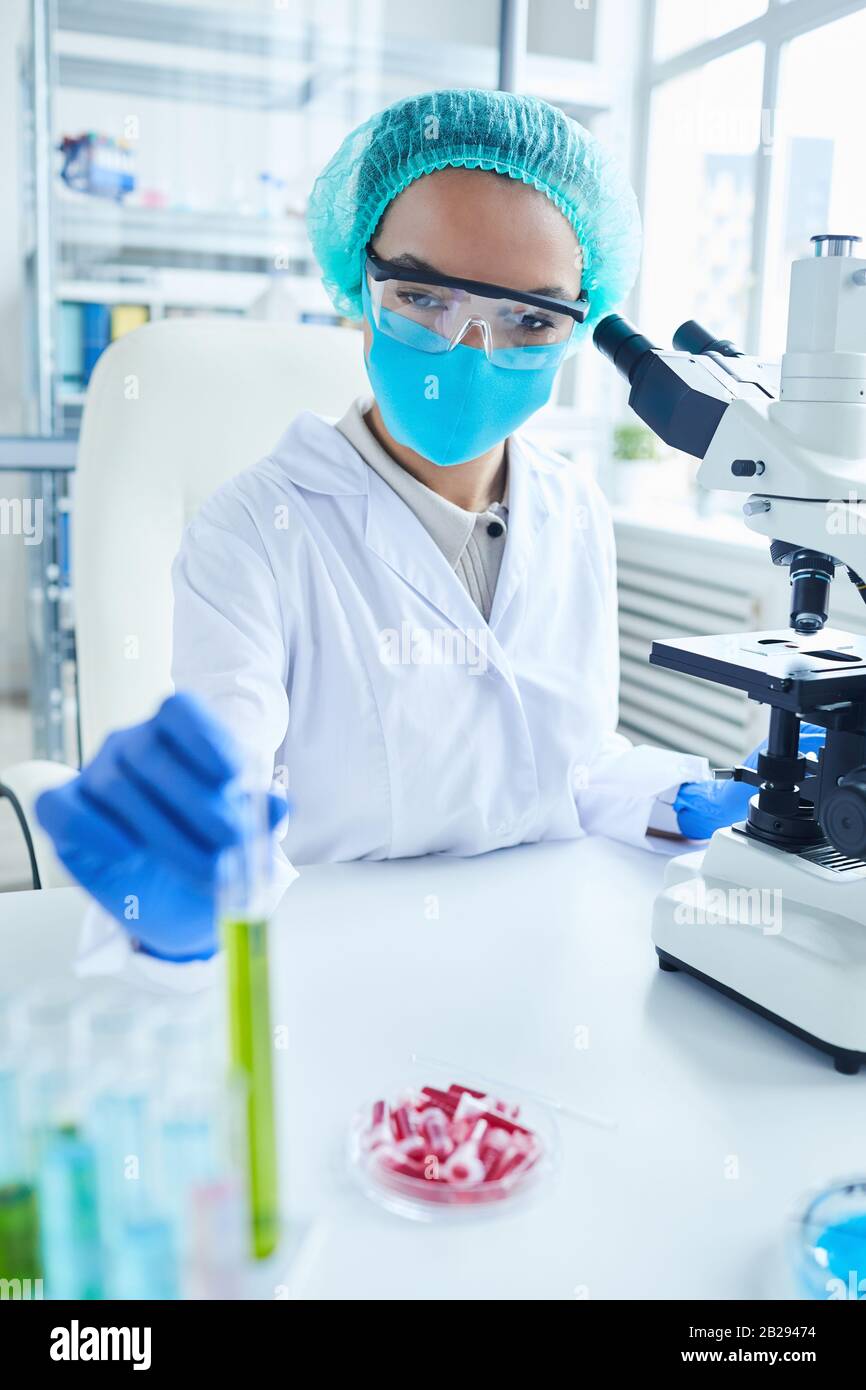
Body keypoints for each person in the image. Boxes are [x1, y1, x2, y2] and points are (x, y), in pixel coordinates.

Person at [35, 89, 822, 966]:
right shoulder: (253, 531)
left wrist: (692, 794)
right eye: (421, 295)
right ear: (354, 287)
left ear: (579, 326)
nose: (471, 348)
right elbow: (232, 786)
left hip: (540, 965)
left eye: (529, 318)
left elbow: (571, 764)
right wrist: (184, 878)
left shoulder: (573, 511)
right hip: (340, 978)